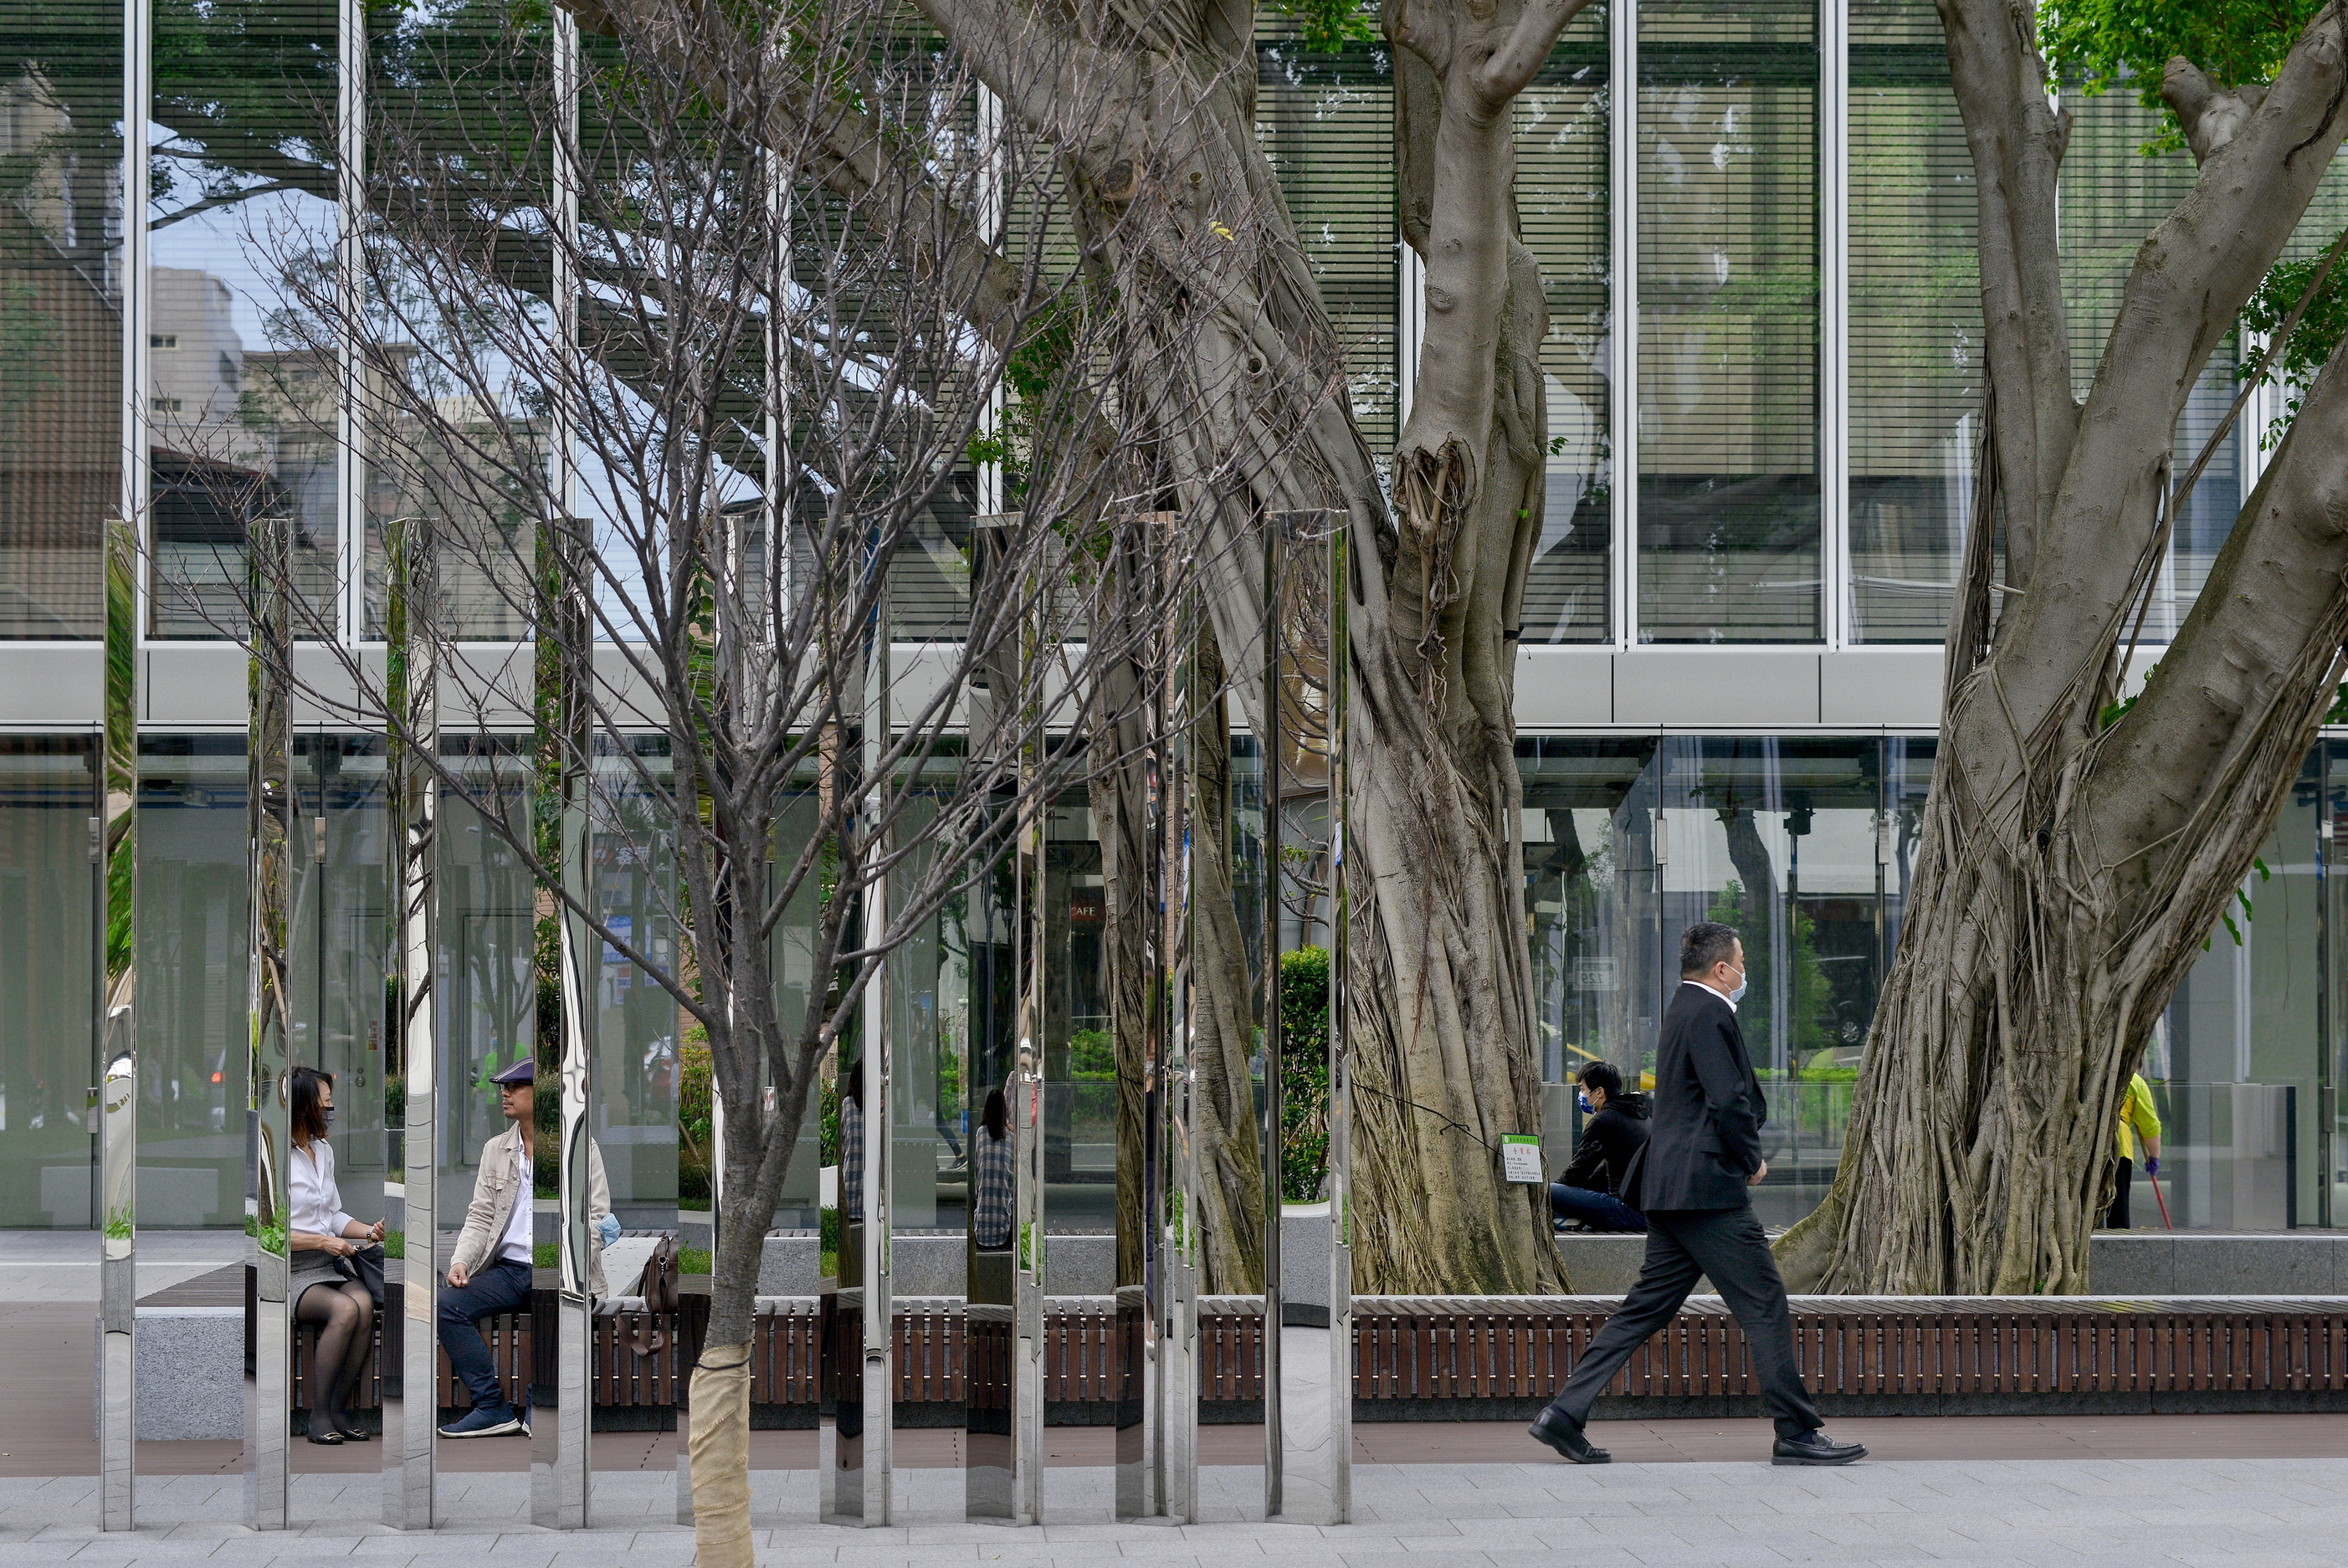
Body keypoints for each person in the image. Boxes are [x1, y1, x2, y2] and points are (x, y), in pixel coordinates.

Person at [1529, 922, 1866, 1468]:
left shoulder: (1682, 1009)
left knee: (1645, 1308)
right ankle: (1797, 1432)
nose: (1745, 973)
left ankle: (1563, 1414)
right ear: (1721, 969)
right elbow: (1727, 1099)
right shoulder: (1709, 1012)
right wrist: (1750, 1158)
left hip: (1671, 1189)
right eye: (1742, 963)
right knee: (1764, 1302)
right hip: (1707, 1192)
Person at [437, 1058, 612, 1437]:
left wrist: (570, 1264)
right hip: (510, 1270)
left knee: (561, 1308)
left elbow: (597, 1217)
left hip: (561, 1268)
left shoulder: (578, 1146)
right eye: (504, 1087)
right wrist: (461, 1260)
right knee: (447, 1304)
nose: (506, 1093)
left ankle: (540, 1407)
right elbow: (480, 1216)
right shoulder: (496, 1149)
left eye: (515, 1086)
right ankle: (491, 1408)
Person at [287, 1066, 384, 1445]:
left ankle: (339, 1411)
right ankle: (318, 1416)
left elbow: (332, 1216)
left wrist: (369, 1231)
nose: (331, 1110)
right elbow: (267, 1232)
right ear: (304, 1105)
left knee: (364, 1304)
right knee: (344, 1309)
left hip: (327, 1266)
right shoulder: (277, 1156)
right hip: (291, 1268)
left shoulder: (323, 1151)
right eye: (325, 1102)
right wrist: (323, 1243)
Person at [1551, 1061, 1649, 1233]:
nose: (1581, 1095)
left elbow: (1578, 1172)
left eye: (1583, 1089)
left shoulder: (1604, 1120)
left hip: (1628, 1211)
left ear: (1599, 1092)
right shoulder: (1639, 1116)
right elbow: (1606, 1171)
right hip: (1648, 1211)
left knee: (1549, 1191)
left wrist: (1562, 1193)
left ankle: (1568, 1218)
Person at [2104, 1071, 2164, 1229]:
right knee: (2118, 1208)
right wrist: (2154, 1157)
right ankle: (2119, 1241)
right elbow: (2150, 1126)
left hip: (2081, 1141)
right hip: (2118, 1144)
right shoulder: (2133, 1080)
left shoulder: (2082, 1072)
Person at [971, 1086, 1014, 1250]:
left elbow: (977, 1170)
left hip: (980, 1231)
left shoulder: (981, 1133)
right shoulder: (1011, 1138)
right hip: (1004, 1229)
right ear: (1004, 1111)